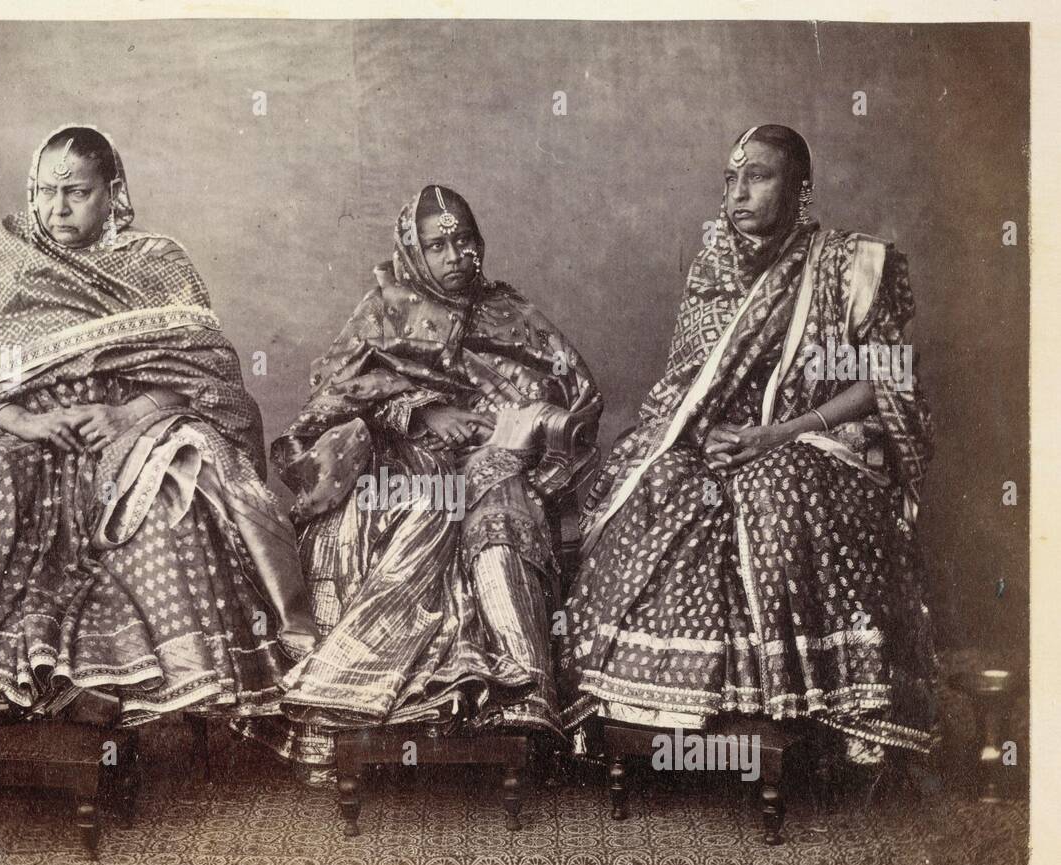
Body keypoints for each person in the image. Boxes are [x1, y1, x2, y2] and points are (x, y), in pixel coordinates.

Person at [0, 124, 318, 778]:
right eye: (45, 192)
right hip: (21, 426)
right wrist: (19, 420)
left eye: (75, 193)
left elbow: (207, 381)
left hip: (128, 425)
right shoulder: (11, 255)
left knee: (165, 507)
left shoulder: (156, 262)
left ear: (113, 192)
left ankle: (103, 685)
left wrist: (126, 413)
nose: (56, 209)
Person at [562, 125, 936, 769]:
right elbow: (690, 380)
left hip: (819, 438)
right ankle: (653, 708)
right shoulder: (711, 266)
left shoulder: (854, 264)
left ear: (800, 188)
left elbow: (889, 380)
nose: (738, 193)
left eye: (757, 176)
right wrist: (701, 433)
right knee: (661, 486)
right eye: (730, 180)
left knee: (774, 489)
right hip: (722, 439)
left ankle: (822, 704)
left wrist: (781, 432)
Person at [238, 185, 602, 780]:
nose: (457, 255)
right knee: (374, 517)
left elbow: (573, 399)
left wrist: (520, 427)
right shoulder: (385, 310)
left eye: (466, 240)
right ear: (415, 253)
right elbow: (330, 396)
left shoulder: (513, 314)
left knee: (498, 525)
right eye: (439, 245)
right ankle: (357, 699)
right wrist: (420, 410)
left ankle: (516, 697)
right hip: (399, 454)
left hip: (496, 458)